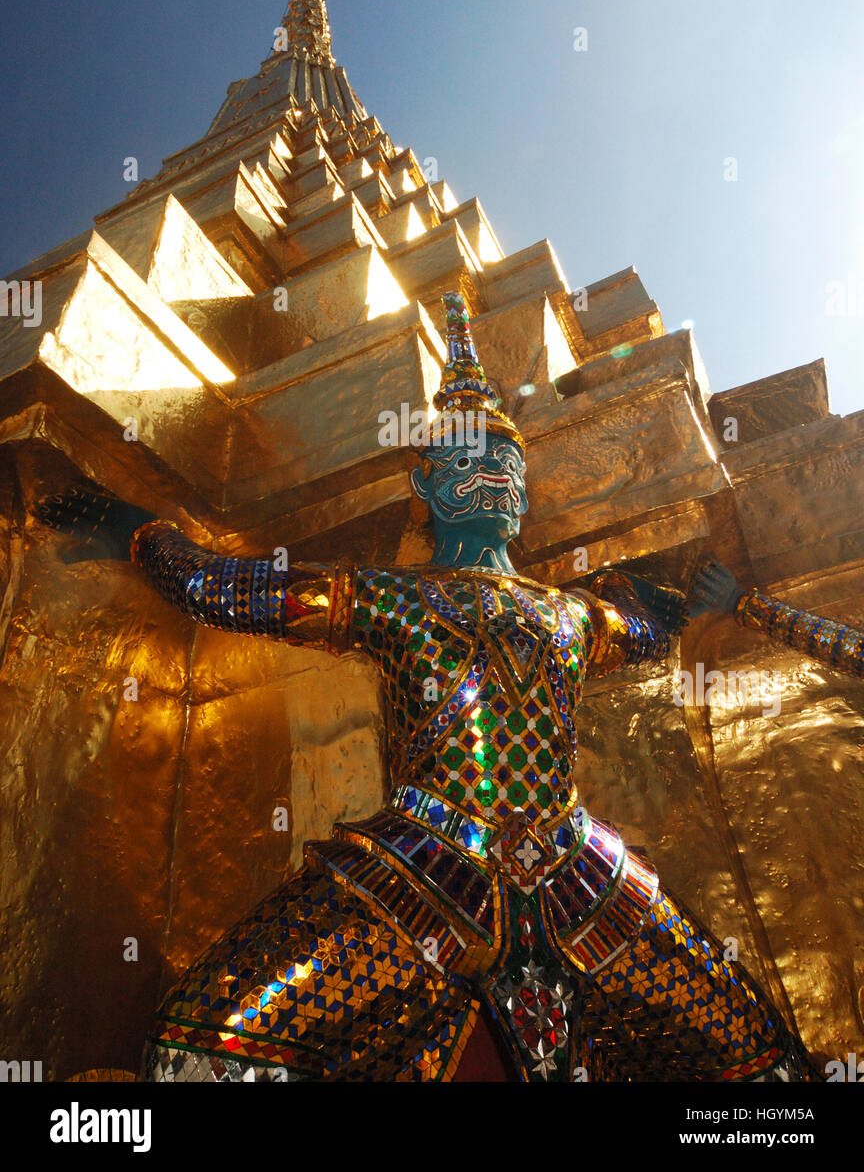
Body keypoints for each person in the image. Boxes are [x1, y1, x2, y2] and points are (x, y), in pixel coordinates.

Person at [37, 295, 863, 1082]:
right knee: (194, 1049)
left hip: (583, 873)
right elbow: (222, 588)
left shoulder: (574, 615)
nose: (493, 476)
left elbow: (652, 626)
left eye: (506, 463)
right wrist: (136, 531)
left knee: (761, 1058)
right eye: (468, 461)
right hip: (423, 871)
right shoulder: (388, 597)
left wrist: (697, 598)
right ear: (426, 487)